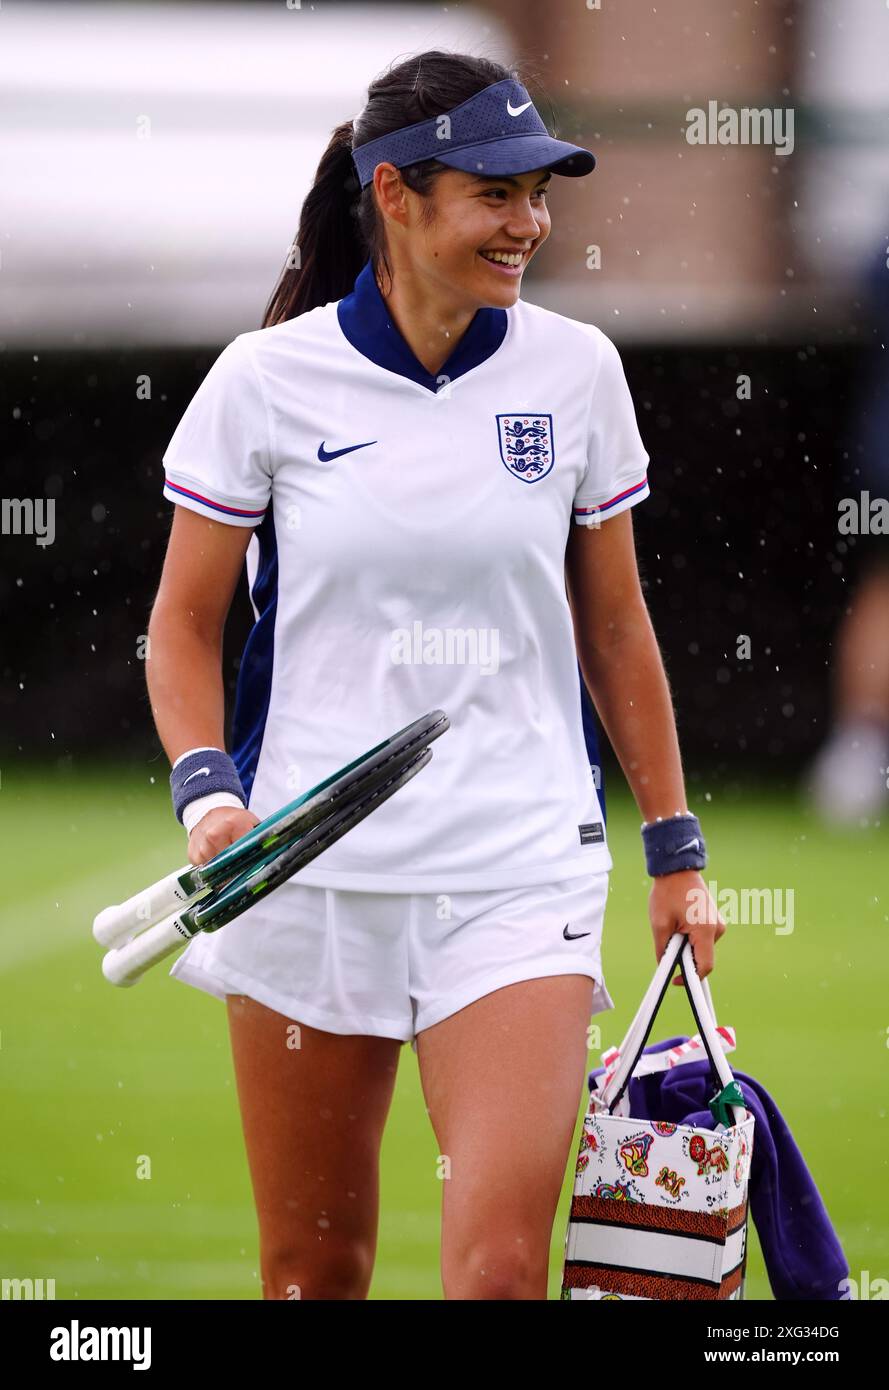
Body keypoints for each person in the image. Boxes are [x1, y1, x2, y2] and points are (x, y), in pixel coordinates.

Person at [145, 50, 725, 1302]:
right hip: (301, 875)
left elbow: (616, 628)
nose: (529, 225)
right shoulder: (265, 380)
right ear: (396, 194)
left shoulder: (575, 372)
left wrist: (677, 852)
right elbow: (182, 627)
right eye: (496, 195)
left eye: (540, 195)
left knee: (504, 1270)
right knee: (312, 1270)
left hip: (518, 870)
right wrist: (210, 797)